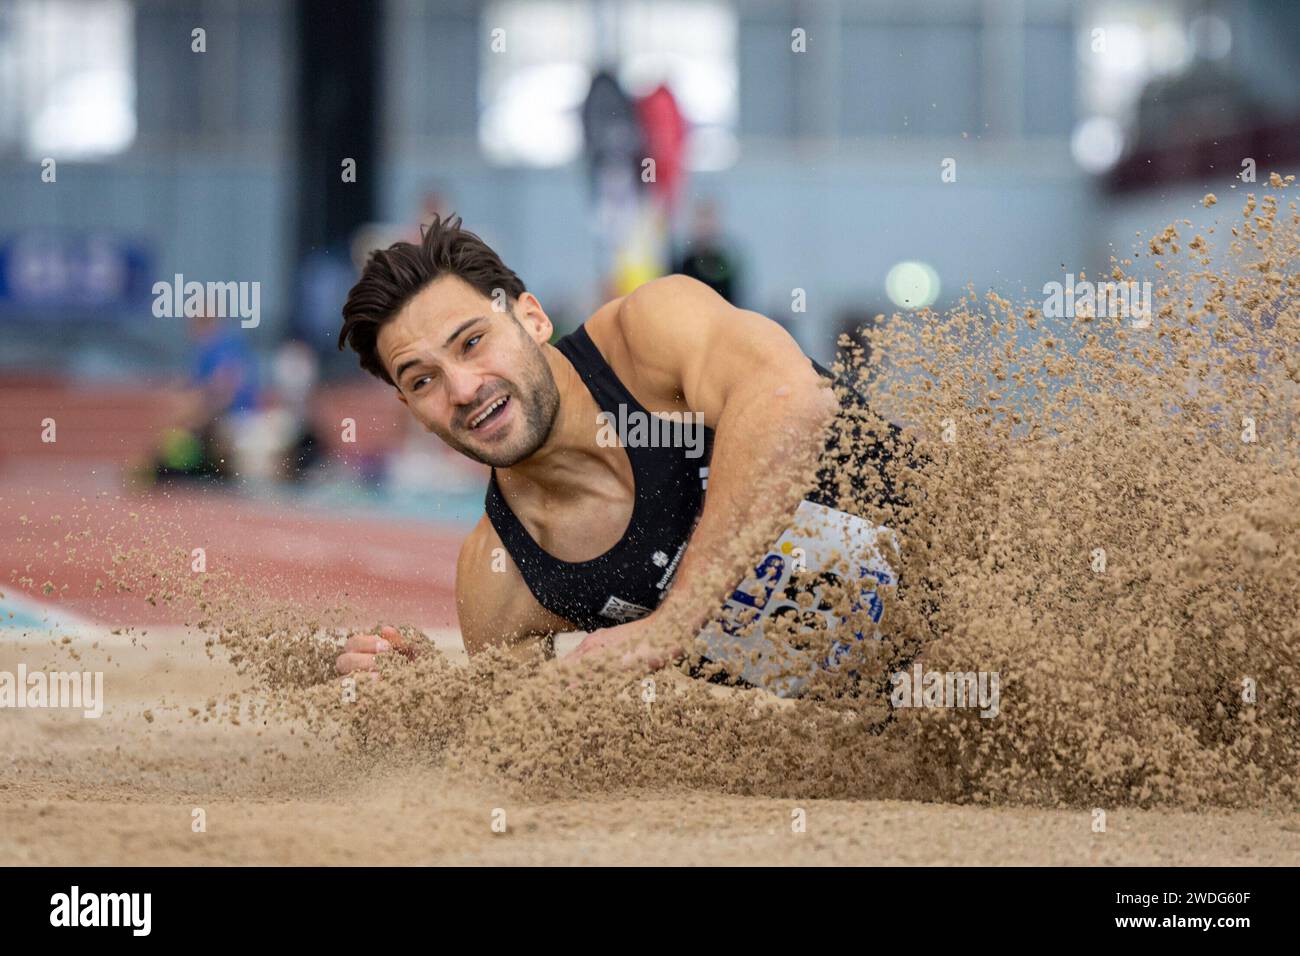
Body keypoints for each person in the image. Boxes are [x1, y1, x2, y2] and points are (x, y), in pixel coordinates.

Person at [335, 215, 906, 695]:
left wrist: (674, 623)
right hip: (922, 722)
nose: (462, 388)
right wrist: (421, 698)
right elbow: (514, 738)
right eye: (423, 379)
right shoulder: (503, 576)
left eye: (472, 342)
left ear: (532, 319)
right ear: (410, 407)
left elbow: (792, 399)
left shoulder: (648, 334)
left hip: (978, 577)